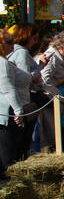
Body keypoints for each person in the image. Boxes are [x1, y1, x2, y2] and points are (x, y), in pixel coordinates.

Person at [0, 31, 27, 175]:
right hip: (4, 113)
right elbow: (8, 89)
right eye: (9, 42)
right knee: (7, 157)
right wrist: (19, 111)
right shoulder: (2, 62)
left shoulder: (5, 61)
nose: (13, 45)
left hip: (4, 112)